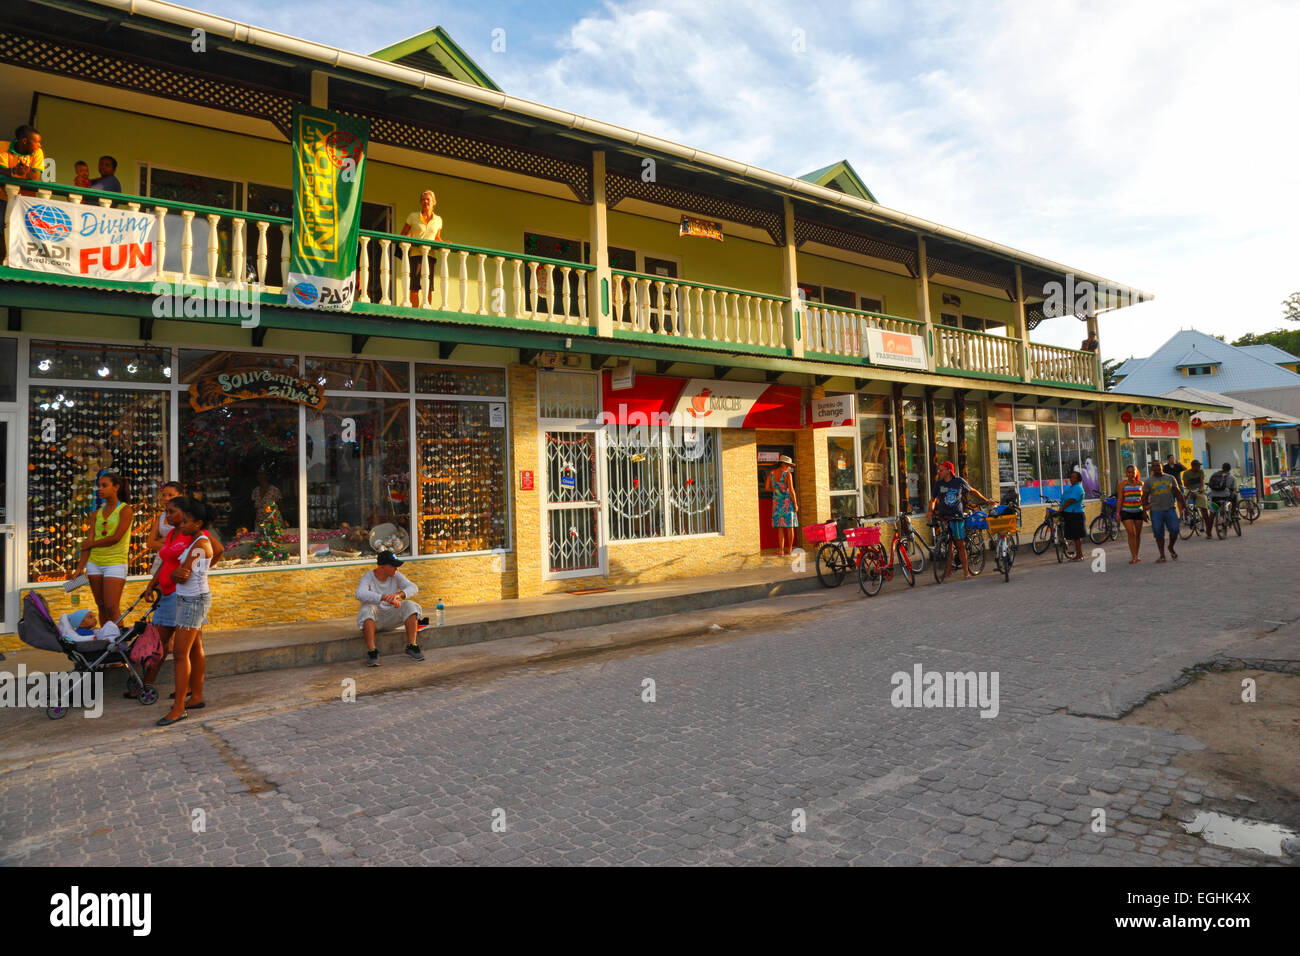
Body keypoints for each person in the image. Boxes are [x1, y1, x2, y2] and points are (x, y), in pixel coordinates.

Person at [136, 492, 224, 700]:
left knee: (181, 648)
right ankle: (154, 686)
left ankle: (188, 692)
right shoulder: (172, 534)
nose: (167, 515)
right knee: (169, 645)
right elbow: (167, 563)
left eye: (172, 512)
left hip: (184, 597)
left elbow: (217, 550)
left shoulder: (194, 534)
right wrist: (152, 584)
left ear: (186, 515)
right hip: (167, 594)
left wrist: (199, 570)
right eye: (166, 511)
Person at [157, 498, 216, 726]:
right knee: (193, 648)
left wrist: (174, 575)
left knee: (180, 654)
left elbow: (182, 575)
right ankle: (196, 696)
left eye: (186, 521)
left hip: (193, 601)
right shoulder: (195, 541)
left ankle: (179, 707)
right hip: (189, 599)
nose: (181, 524)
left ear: (197, 523)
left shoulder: (201, 544)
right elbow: (181, 573)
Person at [71, 473, 134, 631]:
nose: (99, 489)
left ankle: (119, 642)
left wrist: (92, 543)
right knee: (101, 606)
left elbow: (116, 537)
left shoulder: (125, 510)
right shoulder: (96, 514)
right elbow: (88, 543)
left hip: (115, 563)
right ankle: (106, 641)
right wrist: (80, 568)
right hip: (94, 563)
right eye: (98, 485)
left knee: (112, 606)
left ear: (116, 487)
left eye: (104, 485)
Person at [927, 459, 995, 581]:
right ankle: (948, 571)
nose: (939, 472)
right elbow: (933, 500)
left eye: (941, 470)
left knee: (960, 544)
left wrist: (986, 500)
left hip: (956, 517)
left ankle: (966, 572)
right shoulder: (939, 484)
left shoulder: (958, 481)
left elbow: (973, 491)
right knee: (948, 544)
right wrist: (930, 511)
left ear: (948, 471)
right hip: (944, 518)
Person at [356, 551, 425, 666]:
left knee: (410, 606)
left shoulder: (396, 575)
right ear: (382, 566)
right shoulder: (367, 577)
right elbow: (360, 594)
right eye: (393, 565)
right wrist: (383, 598)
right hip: (374, 619)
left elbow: (413, 587)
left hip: (390, 616)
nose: (396, 568)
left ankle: (411, 646)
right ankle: (372, 651)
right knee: (366, 609)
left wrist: (398, 595)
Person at [400, 190, 443, 306]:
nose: (425, 201)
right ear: (420, 202)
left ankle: (426, 309)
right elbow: (402, 234)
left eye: (428, 199)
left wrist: (444, 243)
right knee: (414, 286)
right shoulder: (413, 216)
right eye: (423, 199)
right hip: (415, 255)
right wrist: (408, 236)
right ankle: (415, 311)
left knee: (428, 287)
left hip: (430, 256)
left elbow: (436, 237)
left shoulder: (438, 220)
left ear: (434, 202)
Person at [1142, 462, 1187, 563]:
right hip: (1156, 511)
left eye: (1158, 465)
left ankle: (1170, 547)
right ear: (1152, 468)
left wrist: (1185, 507)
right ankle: (1162, 555)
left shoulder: (1170, 478)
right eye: (1154, 466)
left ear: (1162, 466)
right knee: (1158, 533)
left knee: (1175, 530)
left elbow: (1178, 493)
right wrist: (1144, 511)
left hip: (1170, 509)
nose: (1157, 467)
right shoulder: (1148, 481)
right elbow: (1144, 497)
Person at [764, 455, 799, 556]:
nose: (789, 467)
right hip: (787, 503)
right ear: (783, 464)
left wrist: (776, 491)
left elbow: (767, 487)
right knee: (790, 526)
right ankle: (790, 549)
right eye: (788, 465)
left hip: (777, 503)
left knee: (780, 527)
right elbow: (791, 490)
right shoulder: (787, 474)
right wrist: (795, 504)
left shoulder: (771, 473)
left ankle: (781, 550)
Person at [1116, 464, 1146, 564]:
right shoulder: (1122, 485)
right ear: (1126, 473)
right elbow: (1120, 500)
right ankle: (1133, 556)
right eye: (1128, 472)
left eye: (1133, 472)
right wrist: (1117, 513)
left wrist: (1145, 511)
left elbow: (1143, 499)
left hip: (1138, 511)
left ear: (1136, 472)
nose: (1130, 474)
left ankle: (1136, 555)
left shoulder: (1141, 484)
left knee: (1137, 534)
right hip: (1126, 511)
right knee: (1131, 533)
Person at [1061, 469, 1087, 560]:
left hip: (1075, 514)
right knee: (1074, 535)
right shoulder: (1072, 487)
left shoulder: (1078, 488)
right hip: (1069, 513)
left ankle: (1079, 555)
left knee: (1076, 536)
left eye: (1073, 477)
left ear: (1077, 479)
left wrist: (1062, 508)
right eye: (1070, 477)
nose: (1070, 478)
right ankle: (1078, 554)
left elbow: (1071, 500)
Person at [1182, 460, 1212, 537]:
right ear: (1193, 466)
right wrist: (1191, 491)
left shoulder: (1201, 472)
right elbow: (1186, 485)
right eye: (1197, 466)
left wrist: (1201, 488)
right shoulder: (1186, 473)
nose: (1199, 467)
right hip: (1189, 490)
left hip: (1199, 491)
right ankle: (1186, 514)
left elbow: (1202, 481)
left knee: (1204, 511)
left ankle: (1208, 532)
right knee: (1183, 498)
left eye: (1199, 466)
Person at [1208, 462, 1238, 529]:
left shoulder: (1214, 474)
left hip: (1214, 496)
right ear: (1230, 469)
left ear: (1222, 468)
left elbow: (1210, 484)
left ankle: (1208, 533)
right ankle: (1233, 514)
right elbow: (1233, 489)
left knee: (1212, 513)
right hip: (1225, 496)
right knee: (1235, 497)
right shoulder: (1231, 477)